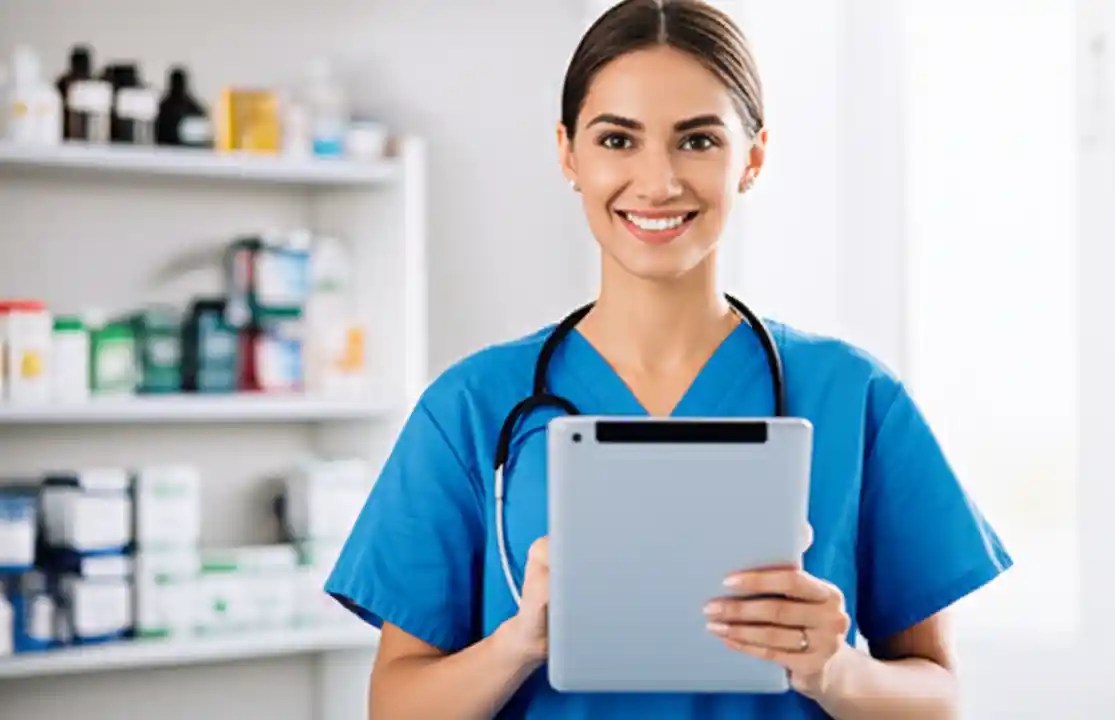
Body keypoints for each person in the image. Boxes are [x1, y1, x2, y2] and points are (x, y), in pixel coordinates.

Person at [324, 1, 1012, 717]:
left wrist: (832, 671)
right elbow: (395, 704)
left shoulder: (856, 397)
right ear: (568, 154)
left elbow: (938, 698)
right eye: (617, 140)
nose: (657, 183)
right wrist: (520, 643)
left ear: (753, 157)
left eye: (698, 141)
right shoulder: (471, 406)